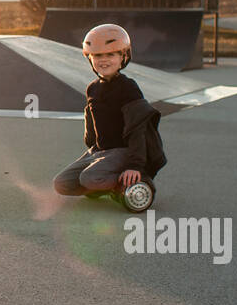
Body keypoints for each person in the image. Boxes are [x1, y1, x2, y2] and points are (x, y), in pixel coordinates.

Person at [52, 23, 164, 202]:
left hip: (124, 151)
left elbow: (138, 129)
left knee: (88, 178)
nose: (103, 60)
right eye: (97, 55)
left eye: (110, 54)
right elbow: (91, 122)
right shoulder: (93, 89)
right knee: (62, 183)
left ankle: (137, 182)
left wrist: (135, 165)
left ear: (123, 56)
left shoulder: (128, 88)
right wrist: (91, 147)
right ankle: (104, 185)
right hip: (99, 152)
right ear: (90, 58)